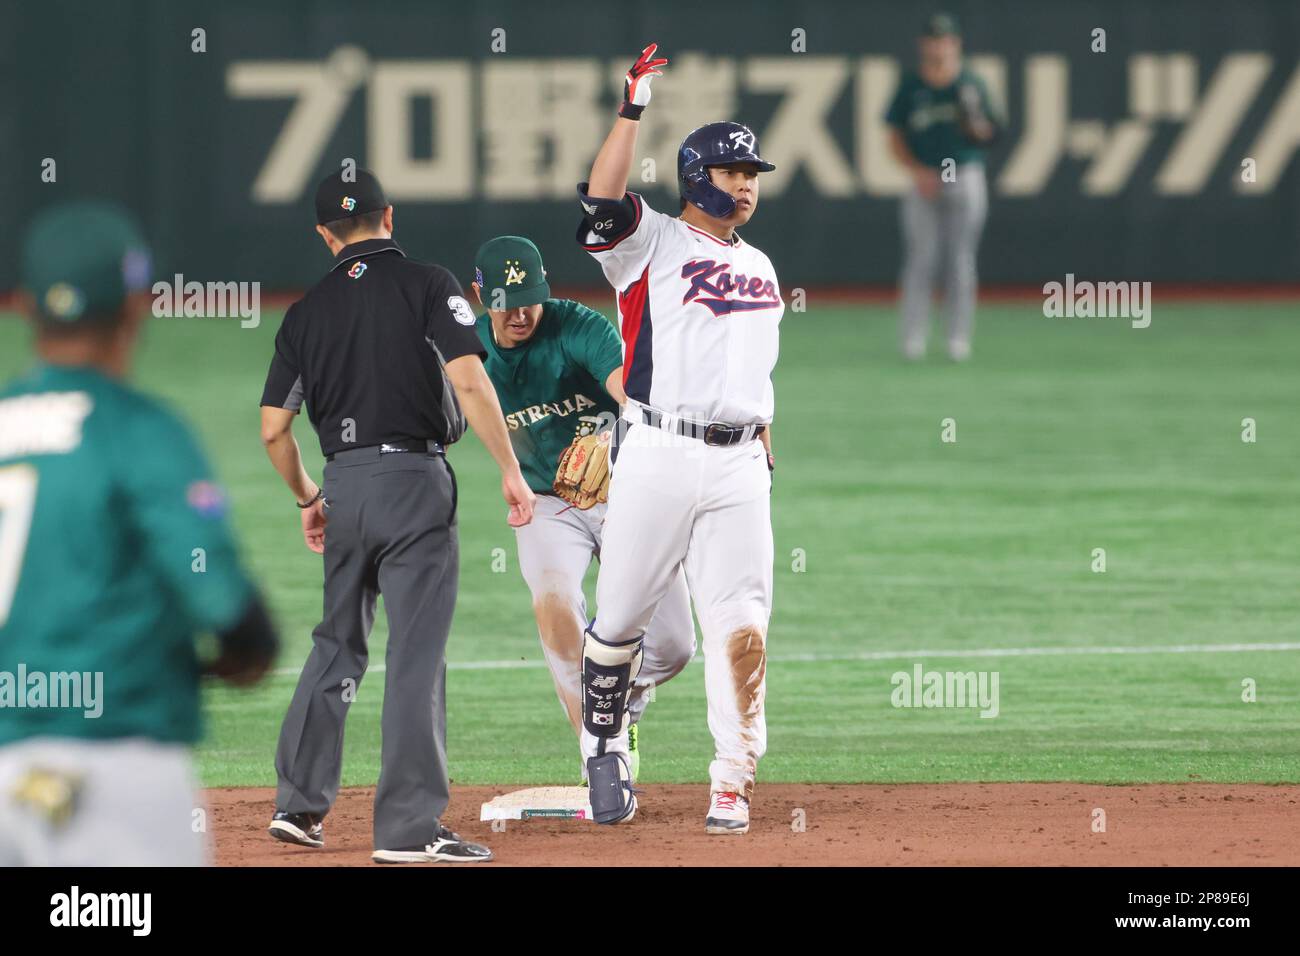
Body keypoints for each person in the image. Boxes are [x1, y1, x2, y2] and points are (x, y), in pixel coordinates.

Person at [260, 169, 535, 864]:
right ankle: (409, 830)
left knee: (336, 644)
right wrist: (509, 470)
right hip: (414, 483)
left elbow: (272, 429)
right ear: (390, 215)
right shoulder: (429, 283)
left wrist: (309, 498)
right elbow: (469, 378)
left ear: (325, 235)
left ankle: (299, 807)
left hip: (344, 488)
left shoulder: (305, 313)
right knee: (415, 651)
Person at [0, 200, 279, 865]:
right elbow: (226, 606)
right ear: (135, 307)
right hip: (113, 776)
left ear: (27, 307)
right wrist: (243, 652)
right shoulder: (136, 430)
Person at [573, 44, 780, 835]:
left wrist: (765, 428)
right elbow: (600, 200)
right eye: (733, 173)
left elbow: (752, 364)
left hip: (738, 463)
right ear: (698, 177)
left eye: (752, 174)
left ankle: (732, 779)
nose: (746, 184)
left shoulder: (760, 265)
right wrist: (631, 109)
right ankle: (607, 743)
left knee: (742, 623)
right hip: (657, 450)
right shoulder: (648, 243)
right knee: (620, 617)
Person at [469, 234, 695, 786]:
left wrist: (621, 434)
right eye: (505, 300)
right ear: (480, 295)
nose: (520, 313)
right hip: (543, 501)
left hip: (623, 490)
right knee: (555, 608)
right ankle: (603, 757)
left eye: (531, 298)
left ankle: (619, 703)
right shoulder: (467, 351)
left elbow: (632, 393)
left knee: (675, 646)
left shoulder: (576, 325)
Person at [885, 12, 1000, 361]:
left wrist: (975, 120)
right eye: (934, 39)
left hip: (965, 176)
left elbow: (989, 135)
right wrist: (917, 171)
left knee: (961, 260)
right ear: (924, 44)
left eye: (945, 40)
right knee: (921, 259)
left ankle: (957, 339)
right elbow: (894, 136)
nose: (939, 46)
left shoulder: (969, 83)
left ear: (956, 44)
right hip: (924, 179)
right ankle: (913, 340)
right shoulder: (911, 85)